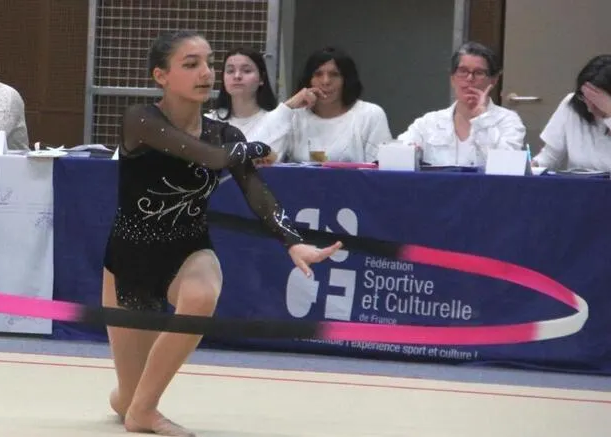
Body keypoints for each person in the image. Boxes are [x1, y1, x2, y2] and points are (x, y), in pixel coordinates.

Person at [102, 30, 342, 436]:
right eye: (191, 64)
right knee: (126, 397)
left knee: (201, 295)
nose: (206, 73)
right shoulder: (141, 120)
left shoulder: (225, 134)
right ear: (161, 75)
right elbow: (209, 158)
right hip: (130, 257)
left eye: (208, 63)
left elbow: (256, 192)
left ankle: (145, 413)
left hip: (188, 248)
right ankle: (131, 403)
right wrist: (252, 149)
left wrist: (291, 239)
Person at [396, 41, 525, 166]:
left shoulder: (509, 121)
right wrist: (411, 151)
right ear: (452, 78)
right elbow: (399, 150)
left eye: (479, 73)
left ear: (493, 80)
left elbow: (505, 166)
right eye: (463, 71)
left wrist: (482, 118)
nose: (470, 78)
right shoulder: (428, 122)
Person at [532, 54, 611, 172]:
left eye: (596, 101)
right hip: (579, 185)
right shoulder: (572, 103)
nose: (589, 108)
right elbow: (551, 156)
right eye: (585, 98)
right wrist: (534, 166)